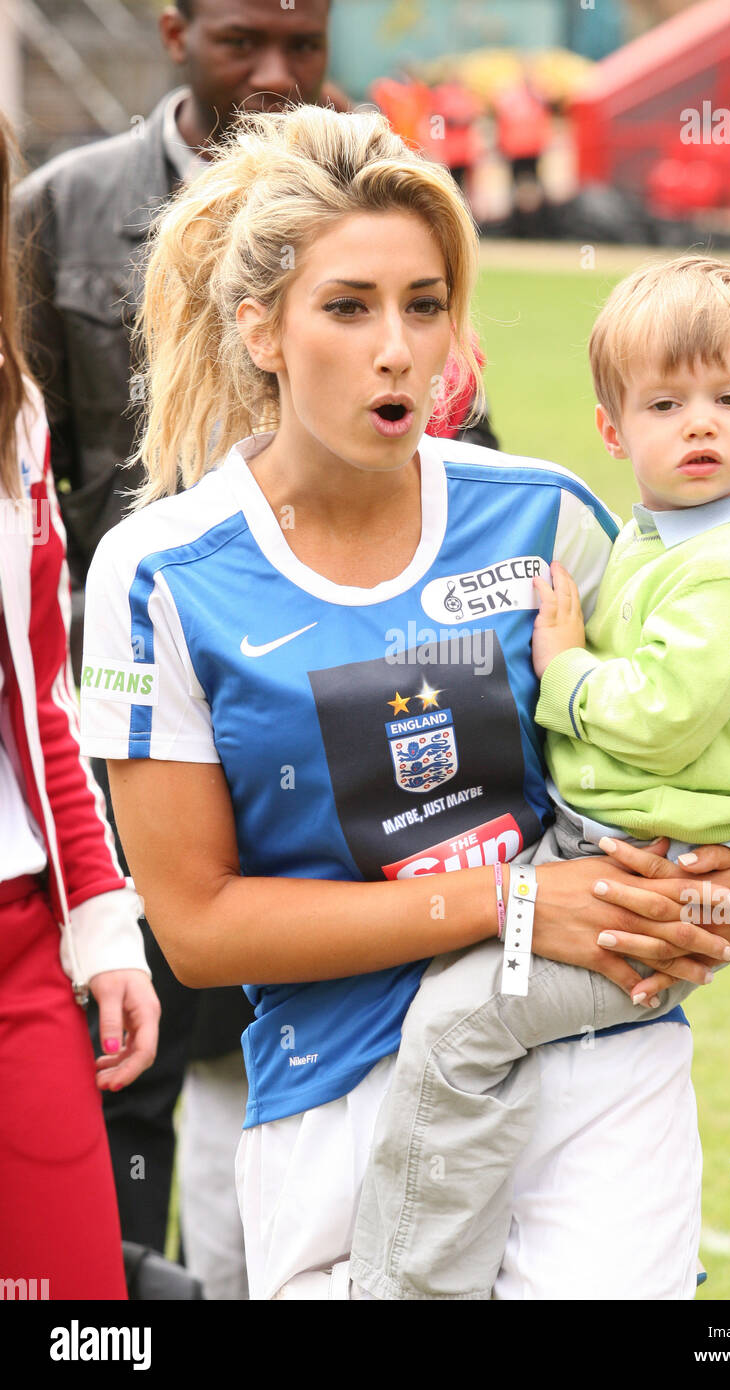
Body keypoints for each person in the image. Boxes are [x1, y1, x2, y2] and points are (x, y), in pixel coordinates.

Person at [78, 105, 730, 1301]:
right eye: (350, 307)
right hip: (338, 1095)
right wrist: (516, 905)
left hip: (594, 1066)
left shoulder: (551, 518)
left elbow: (703, 777)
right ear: (260, 328)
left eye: (424, 306)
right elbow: (199, 929)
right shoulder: (159, 573)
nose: (398, 350)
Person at [12, 0, 494, 1292]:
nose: (276, 76)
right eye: (242, 44)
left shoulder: (379, 212)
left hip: (310, 720)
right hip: (107, 704)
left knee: (259, 1053)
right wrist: (95, 723)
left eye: (302, 42)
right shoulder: (65, 207)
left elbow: (465, 494)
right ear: (174, 34)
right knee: (128, 1077)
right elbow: (37, 500)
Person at [349, 255, 730, 1299]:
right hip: (602, 846)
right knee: (458, 988)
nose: (699, 424)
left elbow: (660, 719)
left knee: (457, 1026)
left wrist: (563, 672)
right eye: (667, 403)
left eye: (729, 398)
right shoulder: (665, 537)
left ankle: (408, 1286)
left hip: (657, 863)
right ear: (615, 432)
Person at [0, 114, 159, 1300]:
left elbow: (44, 690)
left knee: (78, 1308)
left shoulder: (13, 408)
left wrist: (103, 924)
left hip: (18, 943)